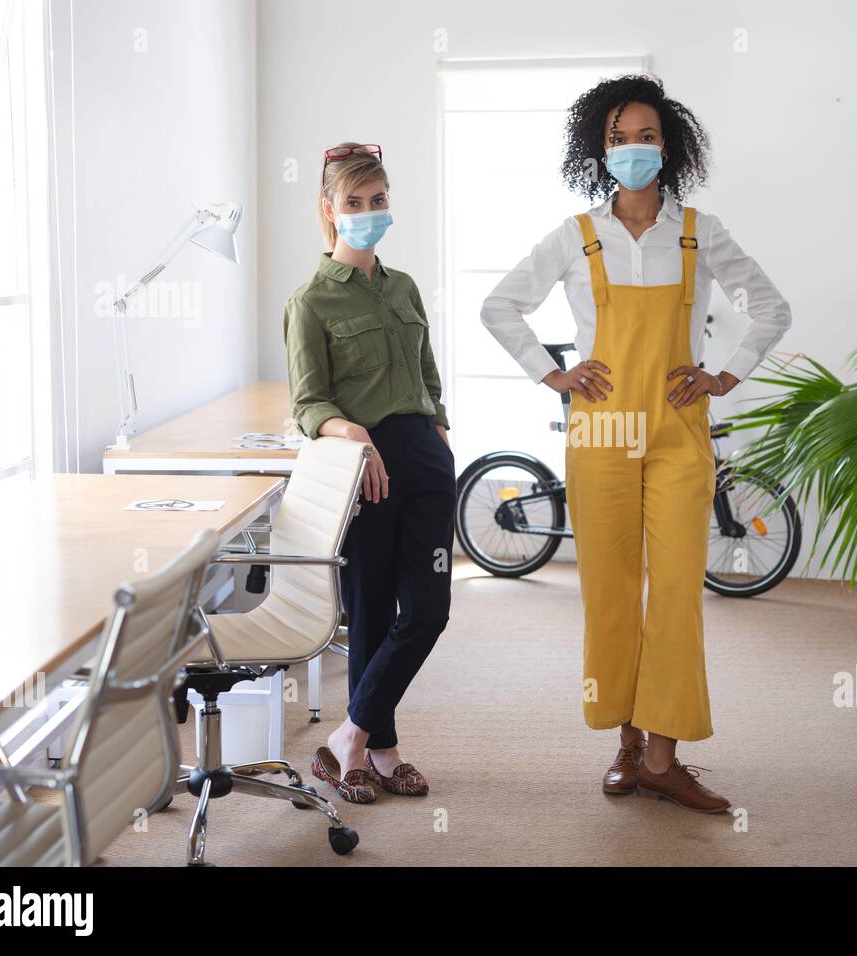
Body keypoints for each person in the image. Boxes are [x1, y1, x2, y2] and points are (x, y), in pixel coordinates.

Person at [481, 76, 791, 813]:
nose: (631, 150)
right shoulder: (575, 235)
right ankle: (626, 742)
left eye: (645, 136)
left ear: (668, 145)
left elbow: (771, 308)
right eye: (618, 138)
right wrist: (554, 374)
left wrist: (722, 375)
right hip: (600, 435)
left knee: (678, 591)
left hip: (679, 436)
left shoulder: (700, 232)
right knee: (611, 592)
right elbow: (501, 307)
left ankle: (664, 756)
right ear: (600, 149)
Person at [284, 142, 454, 802]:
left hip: (427, 462)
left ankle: (345, 738)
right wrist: (352, 433)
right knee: (372, 611)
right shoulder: (311, 302)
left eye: (377, 200)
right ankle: (381, 752)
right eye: (353, 202)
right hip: (368, 469)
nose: (367, 212)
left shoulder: (403, 287)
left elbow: (428, 370)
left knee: (430, 610)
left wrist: (439, 424)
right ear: (329, 210)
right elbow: (307, 402)